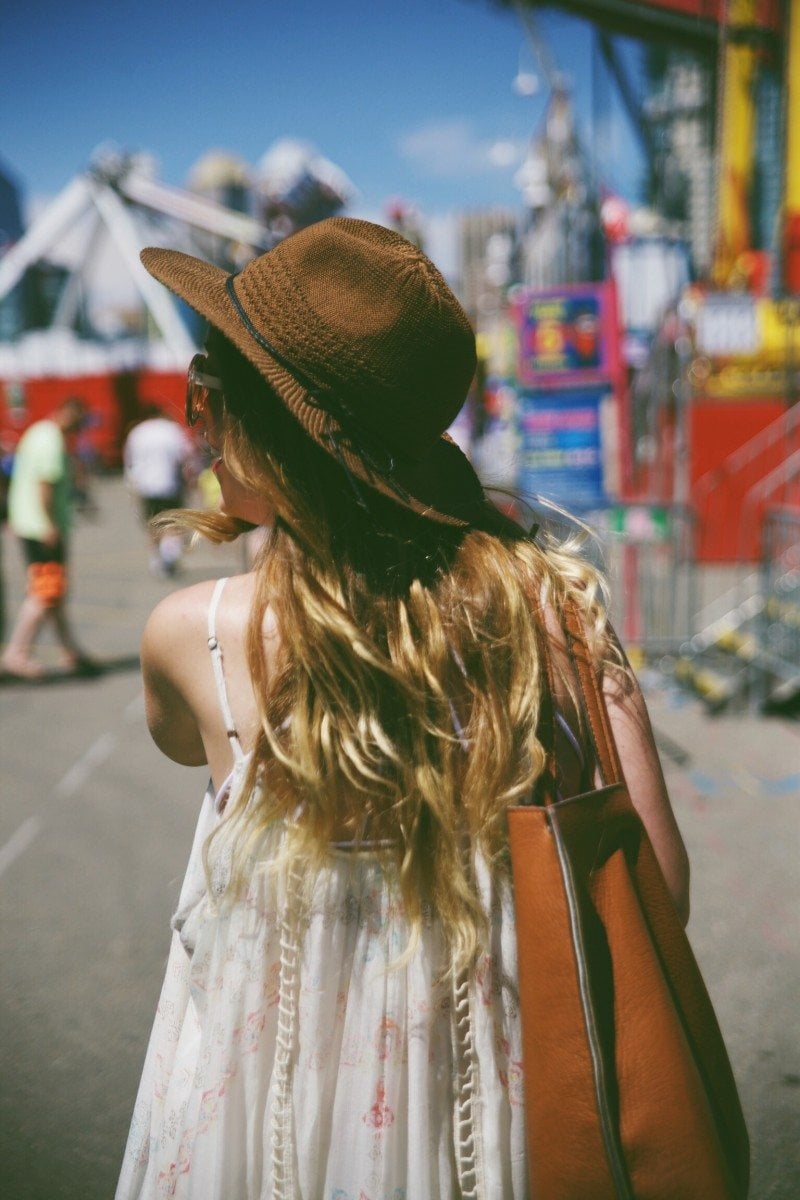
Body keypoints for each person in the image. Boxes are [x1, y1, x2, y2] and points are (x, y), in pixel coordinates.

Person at [117, 219, 689, 1199]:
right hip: (501, 1122)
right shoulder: (560, 616)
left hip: (269, 1119)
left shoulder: (195, 637)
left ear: (274, 430)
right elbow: (658, 891)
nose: (197, 426)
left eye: (206, 396)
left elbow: (179, 742)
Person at [1, 396, 95, 679]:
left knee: (54, 592)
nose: (79, 429)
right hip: (42, 528)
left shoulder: (38, 432)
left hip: (30, 523)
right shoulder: (51, 440)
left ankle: (70, 651)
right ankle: (17, 653)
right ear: (69, 414)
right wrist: (51, 525)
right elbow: (45, 485)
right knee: (45, 593)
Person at [123, 405, 194, 577]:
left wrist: (132, 486)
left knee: (153, 524)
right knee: (172, 523)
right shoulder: (172, 430)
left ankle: (157, 559)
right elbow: (186, 456)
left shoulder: (137, 432)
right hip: (170, 484)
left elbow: (130, 461)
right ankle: (170, 555)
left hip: (146, 486)